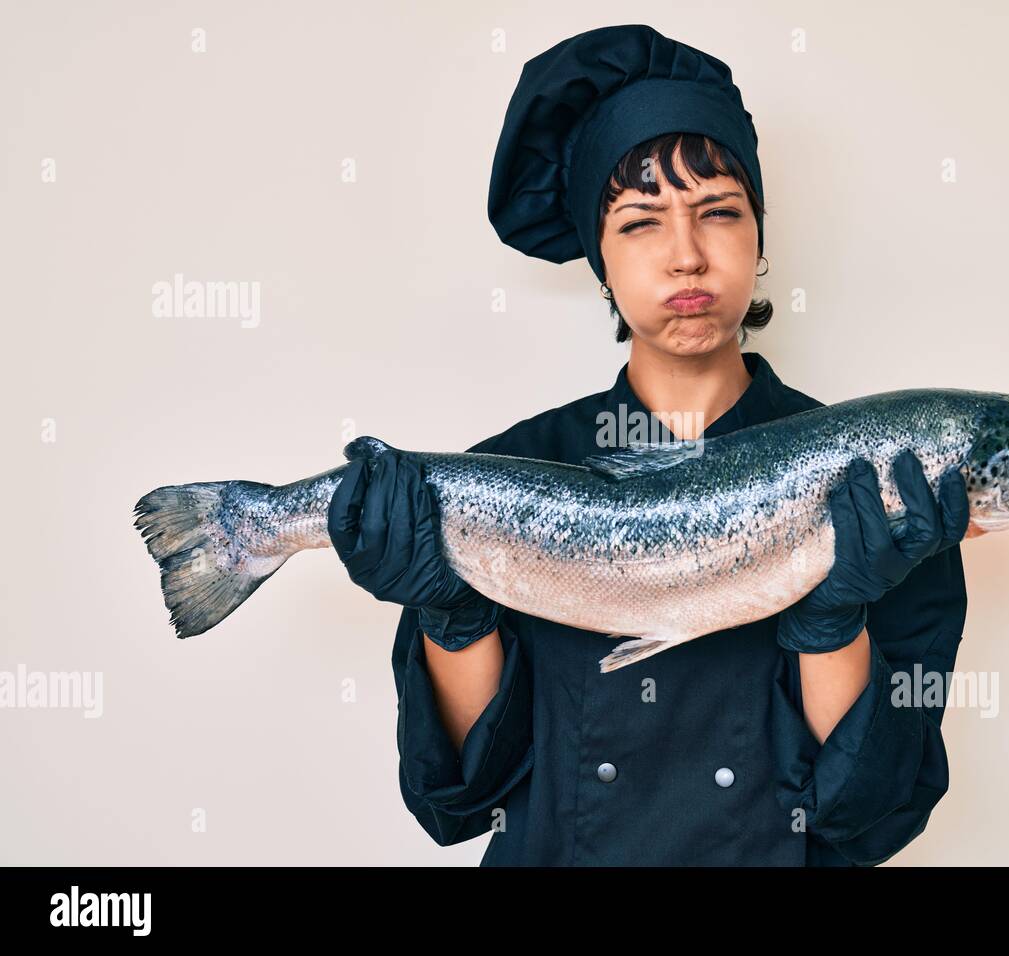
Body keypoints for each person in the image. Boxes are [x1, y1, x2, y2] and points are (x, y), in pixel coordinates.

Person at [326, 24, 970, 866]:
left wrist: (831, 620)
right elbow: (460, 800)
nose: (687, 255)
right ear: (600, 260)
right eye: (639, 224)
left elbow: (871, 819)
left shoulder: (890, 491)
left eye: (719, 213)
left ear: (760, 236)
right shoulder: (501, 482)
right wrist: (455, 614)